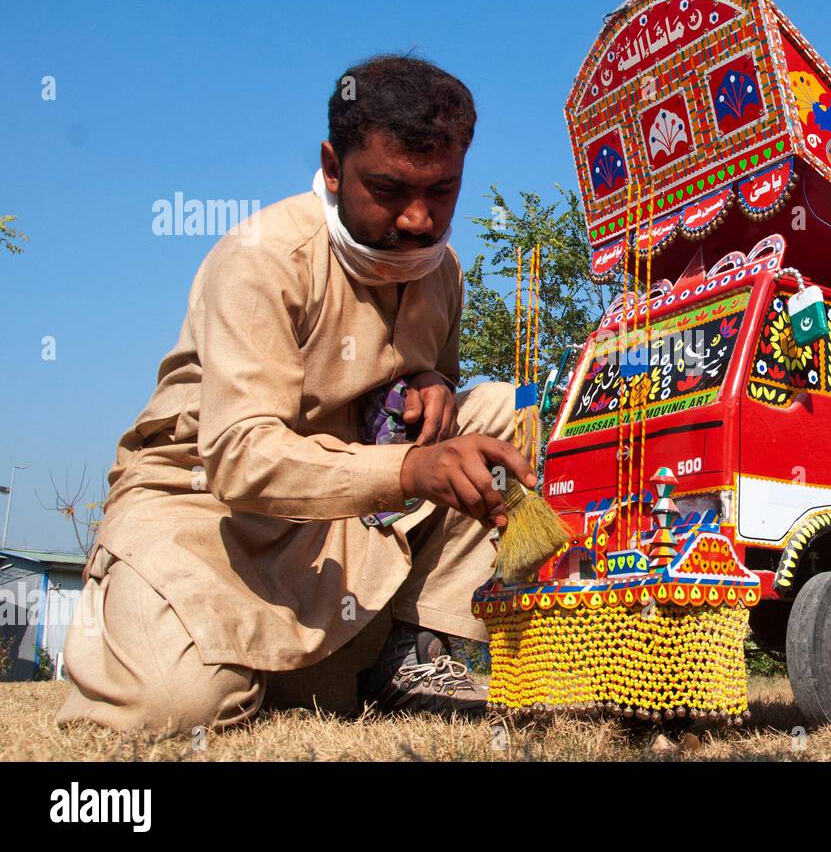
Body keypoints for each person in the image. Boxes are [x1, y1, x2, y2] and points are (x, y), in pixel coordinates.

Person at [56, 54, 533, 736]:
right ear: (333, 168)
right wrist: (404, 468)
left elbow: (442, 385)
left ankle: (411, 649)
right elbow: (241, 456)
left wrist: (432, 383)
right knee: (171, 706)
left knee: (503, 417)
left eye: (443, 190)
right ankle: (140, 620)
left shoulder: (443, 271)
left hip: (344, 518)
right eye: (390, 189)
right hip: (205, 513)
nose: (419, 220)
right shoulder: (264, 258)